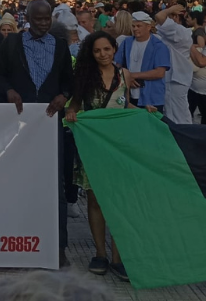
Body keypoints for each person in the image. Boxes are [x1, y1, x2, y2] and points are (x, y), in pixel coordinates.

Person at [0, 0, 74, 266]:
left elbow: (69, 81)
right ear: (27, 18)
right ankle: (14, 239)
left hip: (49, 125)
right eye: (37, 20)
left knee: (54, 185)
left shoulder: (60, 46)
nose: (43, 24)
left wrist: (63, 96)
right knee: (16, 179)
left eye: (46, 19)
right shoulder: (12, 44)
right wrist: (8, 91)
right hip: (18, 123)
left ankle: (58, 246)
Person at [64, 31, 129, 281]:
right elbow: (75, 105)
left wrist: (144, 110)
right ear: (91, 54)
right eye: (97, 50)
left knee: (119, 202)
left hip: (119, 147)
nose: (103, 54)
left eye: (107, 49)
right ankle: (100, 254)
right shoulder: (84, 76)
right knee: (95, 201)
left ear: (114, 49)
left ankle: (118, 258)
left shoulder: (125, 75)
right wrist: (71, 112)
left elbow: (125, 106)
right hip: (92, 147)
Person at [113, 12, 169, 112]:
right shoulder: (127, 42)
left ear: (148, 27)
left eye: (139, 26)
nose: (135, 29)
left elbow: (160, 72)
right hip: (129, 95)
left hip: (151, 97)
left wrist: (131, 76)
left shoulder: (159, 46)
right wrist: (126, 77)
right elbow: (117, 64)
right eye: (133, 26)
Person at [153, 4, 194, 125]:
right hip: (175, 76)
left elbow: (159, 16)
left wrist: (169, 10)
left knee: (178, 113)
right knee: (174, 111)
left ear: (175, 17)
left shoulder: (178, 31)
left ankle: (184, 139)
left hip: (175, 78)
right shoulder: (179, 32)